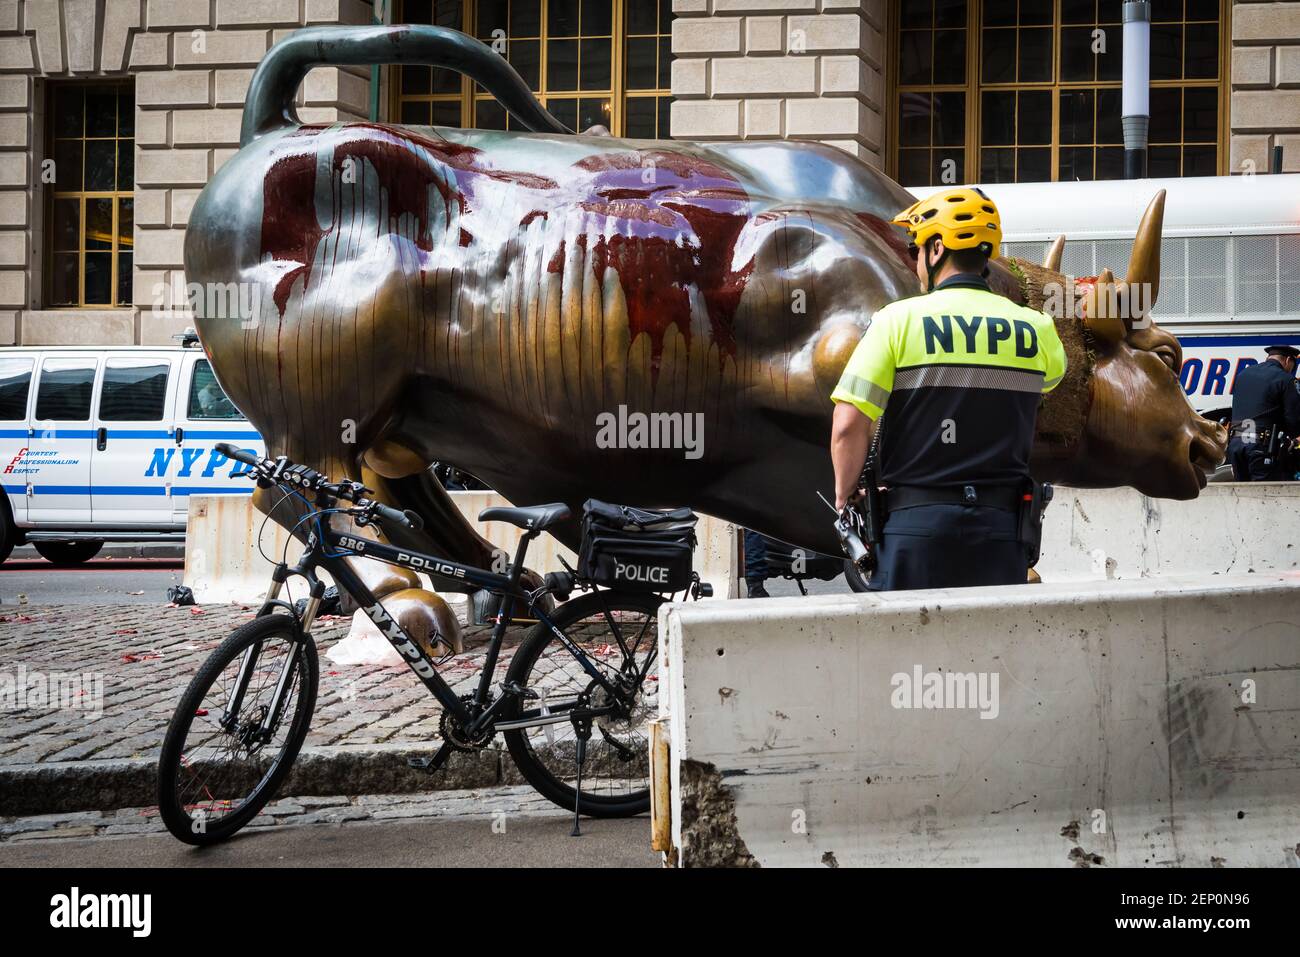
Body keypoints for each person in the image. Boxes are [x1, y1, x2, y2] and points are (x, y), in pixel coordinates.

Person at [828, 187, 1067, 591]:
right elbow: (1044, 385)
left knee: (907, 646)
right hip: (1002, 530)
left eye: (914, 250)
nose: (915, 262)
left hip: (915, 527)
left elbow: (849, 424)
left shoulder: (896, 322)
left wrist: (844, 494)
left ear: (936, 249)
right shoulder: (1037, 328)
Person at [1227, 344, 1300, 482]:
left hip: (1236, 445)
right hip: (1262, 447)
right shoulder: (1285, 379)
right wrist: (1294, 439)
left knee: (1242, 495)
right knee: (1265, 497)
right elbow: (1293, 419)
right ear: (1288, 360)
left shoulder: (1243, 375)